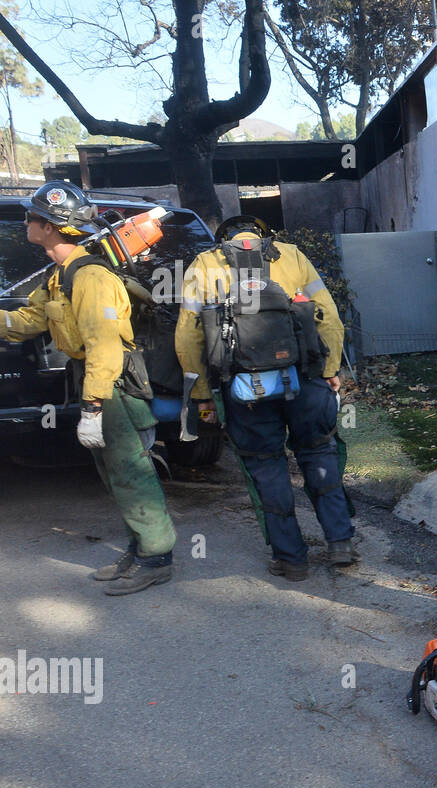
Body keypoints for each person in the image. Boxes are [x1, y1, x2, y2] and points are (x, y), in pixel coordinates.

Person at [3, 182, 176, 594]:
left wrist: (94, 407)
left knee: (130, 470)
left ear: (50, 227)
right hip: (93, 380)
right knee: (112, 472)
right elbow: (29, 320)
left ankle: (156, 557)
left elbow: (104, 345)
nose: (27, 221)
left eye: (33, 217)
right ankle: (139, 548)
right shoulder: (59, 276)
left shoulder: (92, 276)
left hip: (111, 385)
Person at [177, 215, 354, 581]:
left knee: (266, 466)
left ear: (223, 238)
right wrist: (331, 369)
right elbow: (329, 318)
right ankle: (340, 543)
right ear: (262, 234)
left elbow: (187, 337)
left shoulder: (206, 263)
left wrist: (202, 397)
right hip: (304, 378)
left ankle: (292, 560)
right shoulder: (291, 255)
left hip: (244, 391)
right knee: (319, 453)